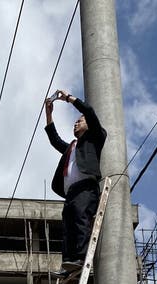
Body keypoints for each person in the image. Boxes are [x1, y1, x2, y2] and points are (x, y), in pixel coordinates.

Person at [45, 89, 106, 274]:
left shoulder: (96, 137)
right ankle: (68, 261)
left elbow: (89, 112)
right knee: (68, 227)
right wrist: (49, 114)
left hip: (86, 188)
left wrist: (69, 98)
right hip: (71, 192)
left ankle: (80, 258)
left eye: (80, 121)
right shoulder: (72, 146)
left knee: (81, 219)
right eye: (75, 122)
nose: (76, 123)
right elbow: (55, 140)